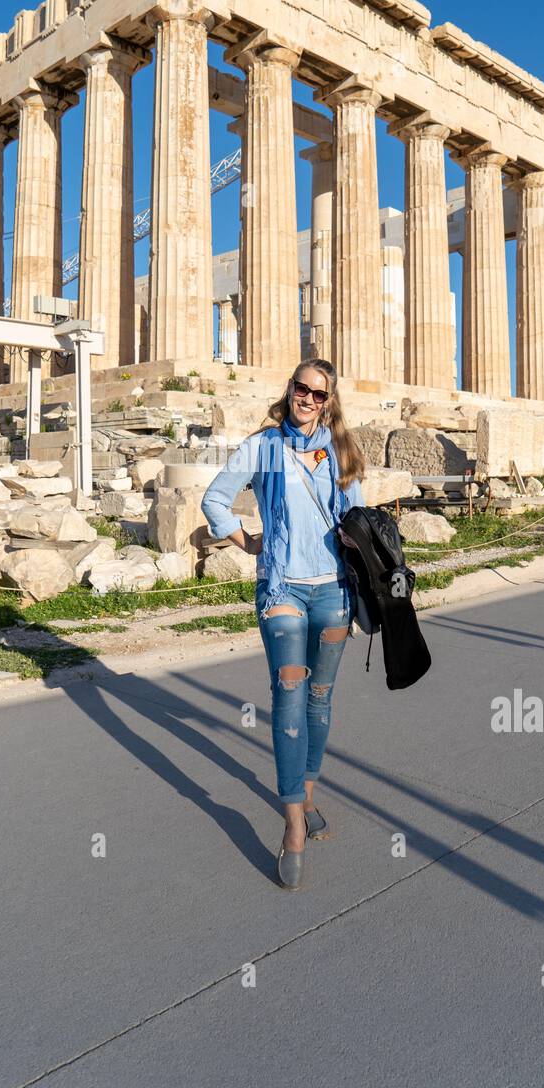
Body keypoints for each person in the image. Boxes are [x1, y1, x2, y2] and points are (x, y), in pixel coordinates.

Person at [201, 358, 366, 890]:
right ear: (290, 389)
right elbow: (215, 499)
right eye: (302, 389)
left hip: (335, 591)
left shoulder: (341, 450)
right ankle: (293, 820)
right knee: (290, 694)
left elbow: (359, 520)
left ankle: (307, 789)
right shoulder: (263, 447)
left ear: (329, 402)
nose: (308, 399)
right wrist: (248, 542)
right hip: (283, 591)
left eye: (319, 395)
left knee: (320, 696)